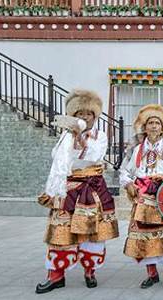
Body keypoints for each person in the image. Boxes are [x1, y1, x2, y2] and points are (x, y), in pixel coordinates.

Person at [35, 90, 119, 294]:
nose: (83, 117)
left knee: (92, 232)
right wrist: (71, 137)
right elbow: (56, 155)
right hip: (67, 189)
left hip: (92, 188)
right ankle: (56, 276)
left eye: (88, 113)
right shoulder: (65, 136)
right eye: (79, 113)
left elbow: (93, 154)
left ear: (95, 116)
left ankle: (89, 272)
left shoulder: (100, 136)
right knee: (60, 231)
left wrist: (79, 139)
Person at [120, 104, 163, 292]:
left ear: (162, 128)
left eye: (157, 123)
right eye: (150, 123)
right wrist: (128, 184)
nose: (153, 126)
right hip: (143, 198)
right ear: (145, 127)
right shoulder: (137, 150)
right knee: (146, 235)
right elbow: (125, 171)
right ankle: (151, 274)